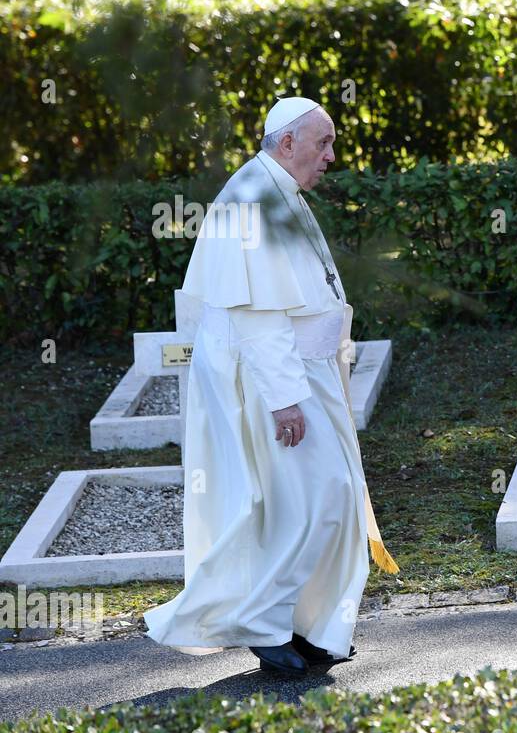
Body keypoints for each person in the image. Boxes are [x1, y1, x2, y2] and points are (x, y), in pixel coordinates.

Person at [142, 97, 398, 677]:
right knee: (310, 501)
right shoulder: (252, 198)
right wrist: (285, 398)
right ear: (287, 143)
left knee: (326, 499)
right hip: (274, 380)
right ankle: (266, 624)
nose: (331, 156)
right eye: (322, 144)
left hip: (303, 372)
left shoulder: (276, 187)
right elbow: (255, 318)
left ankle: (309, 627)